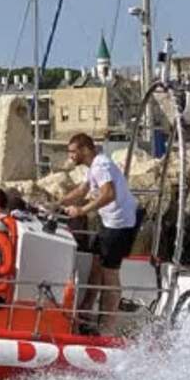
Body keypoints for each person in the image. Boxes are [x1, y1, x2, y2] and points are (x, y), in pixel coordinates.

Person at [59, 133, 140, 335]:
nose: (70, 156)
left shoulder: (101, 165)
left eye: (72, 151)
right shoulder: (93, 166)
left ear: (85, 149)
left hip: (120, 224)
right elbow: (83, 189)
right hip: (108, 222)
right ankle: (86, 309)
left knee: (110, 273)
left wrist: (81, 211)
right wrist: (58, 203)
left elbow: (109, 194)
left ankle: (107, 327)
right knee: (96, 263)